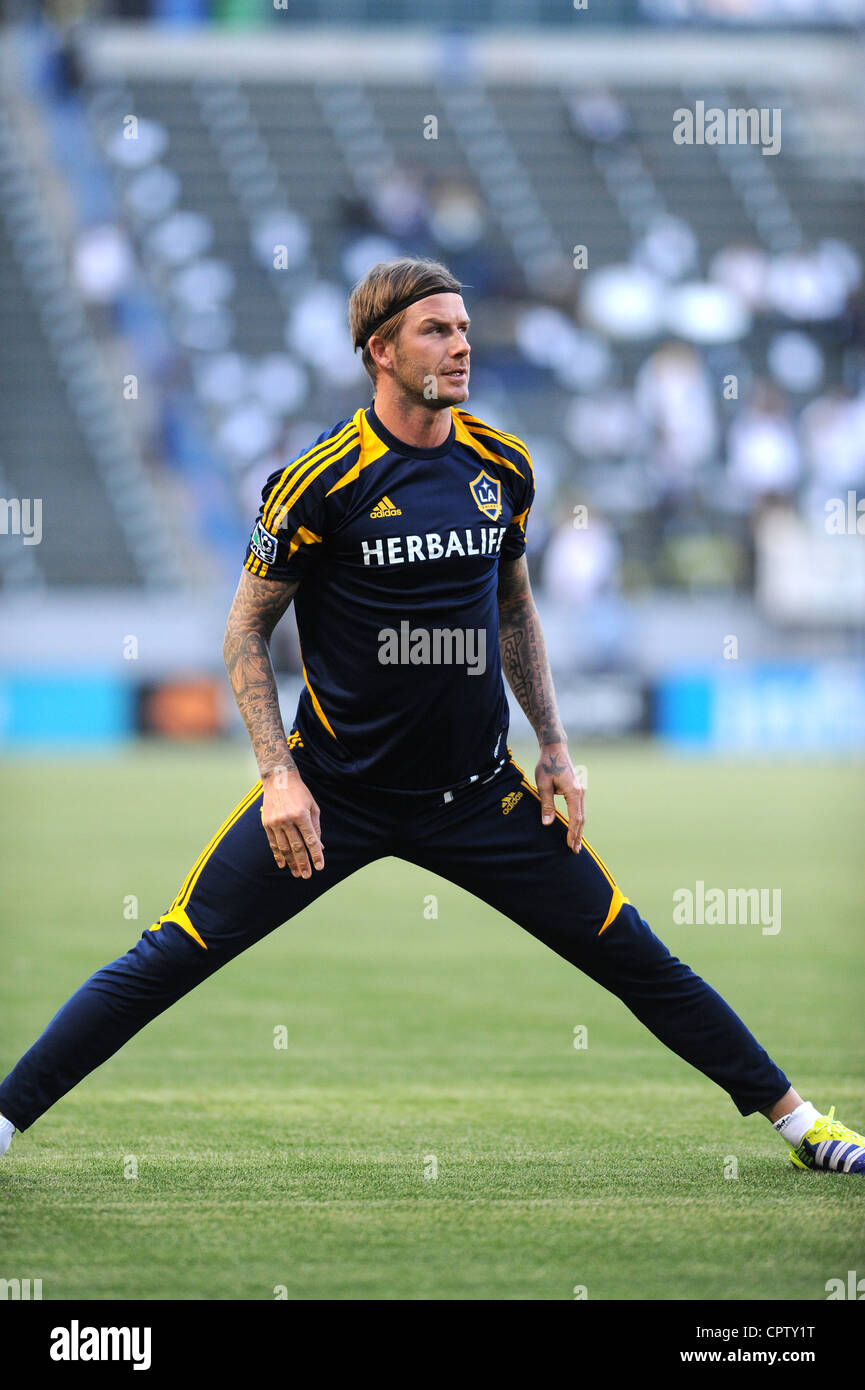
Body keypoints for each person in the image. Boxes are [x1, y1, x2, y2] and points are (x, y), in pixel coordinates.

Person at [0, 257, 862, 1178]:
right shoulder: (317, 482)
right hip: (331, 796)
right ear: (380, 349)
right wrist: (278, 778)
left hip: (477, 795)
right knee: (170, 954)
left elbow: (516, 611)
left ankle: (799, 1122)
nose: (459, 345)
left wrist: (557, 750)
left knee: (632, 953)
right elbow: (245, 633)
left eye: (461, 328)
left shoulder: (500, 464)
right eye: (435, 331)